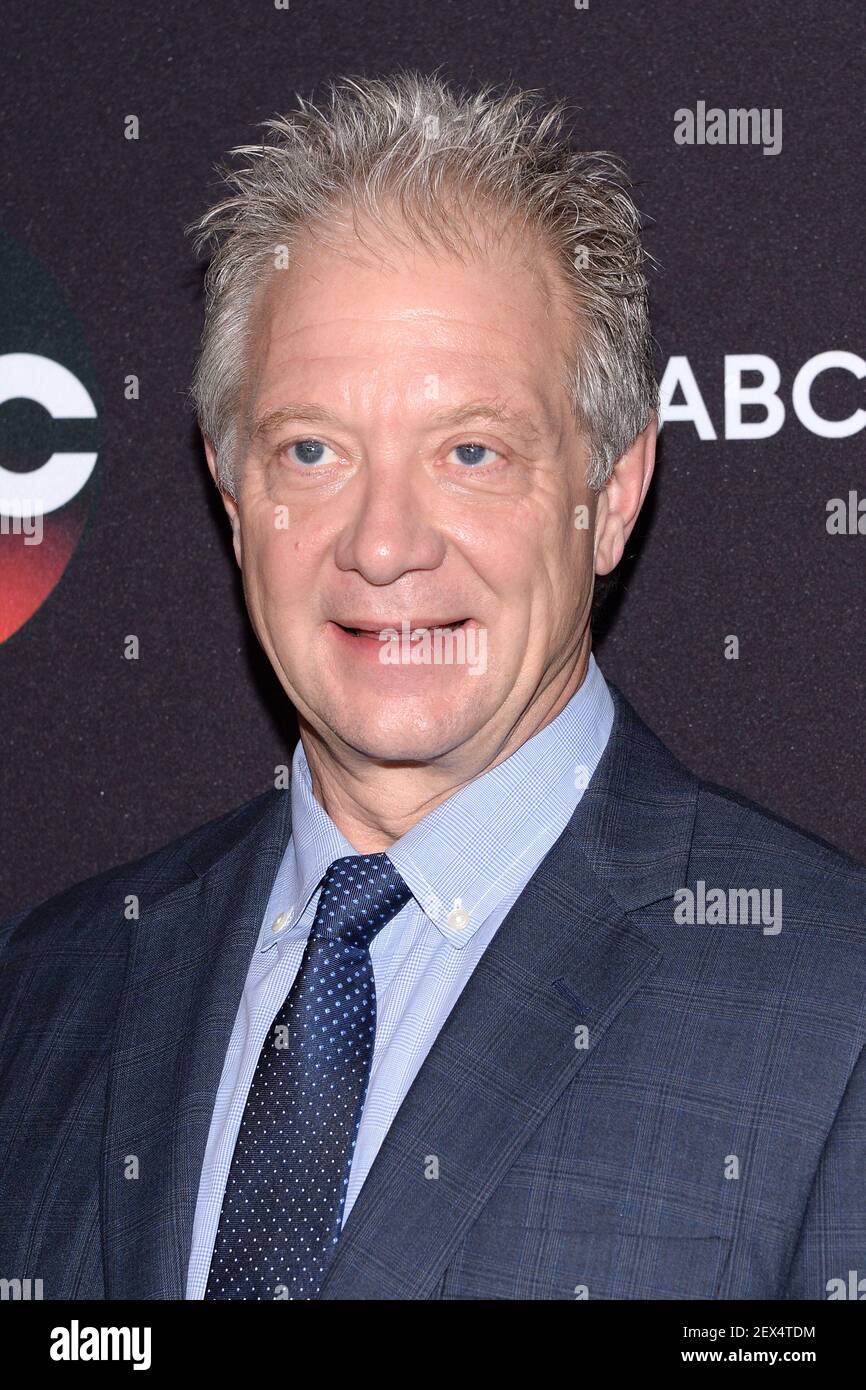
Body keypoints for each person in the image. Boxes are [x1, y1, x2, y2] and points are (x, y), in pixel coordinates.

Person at [1, 71, 864, 1302]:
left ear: (609, 493)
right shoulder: (52, 984)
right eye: (312, 450)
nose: (384, 541)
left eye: (469, 451)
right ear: (233, 493)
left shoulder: (834, 1009)